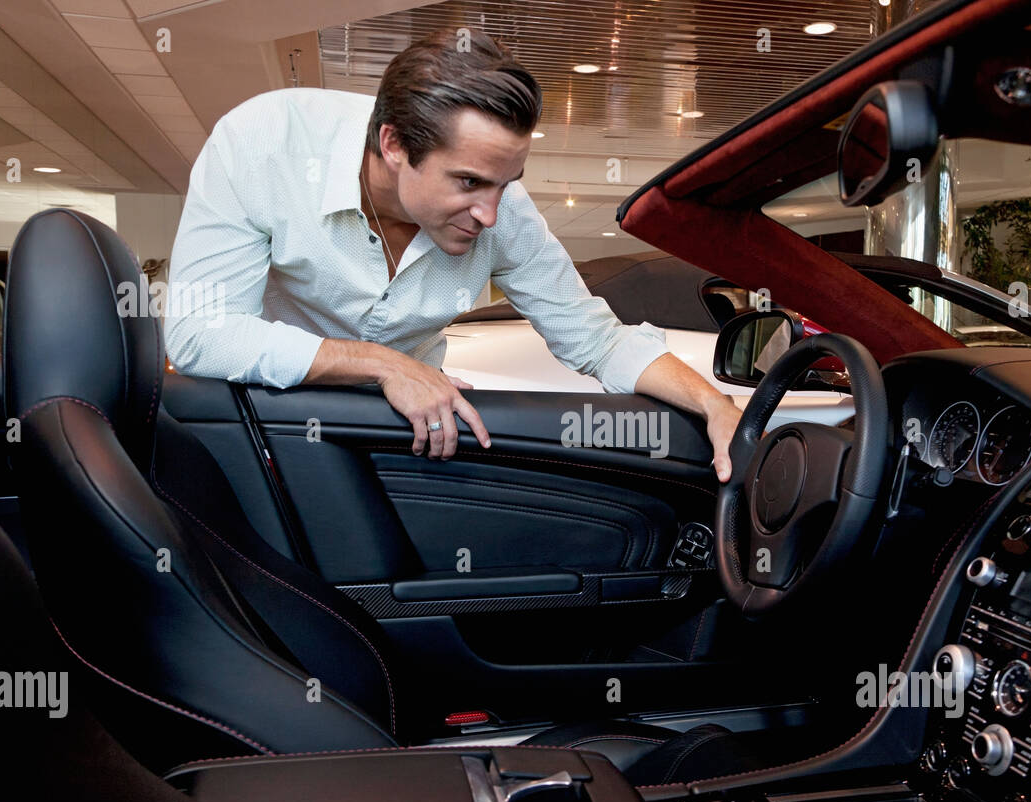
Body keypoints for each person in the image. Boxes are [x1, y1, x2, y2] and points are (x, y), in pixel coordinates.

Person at [165, 28, 742, 479]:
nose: (490, 214)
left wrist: (712, 403)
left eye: (508, 182)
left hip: (406, 436)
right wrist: (384, 363)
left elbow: (597, 340)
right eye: (468, 183)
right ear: (393, 144)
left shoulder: (504, 214)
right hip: (265, 423)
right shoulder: (264, 145)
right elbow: (199, 333)